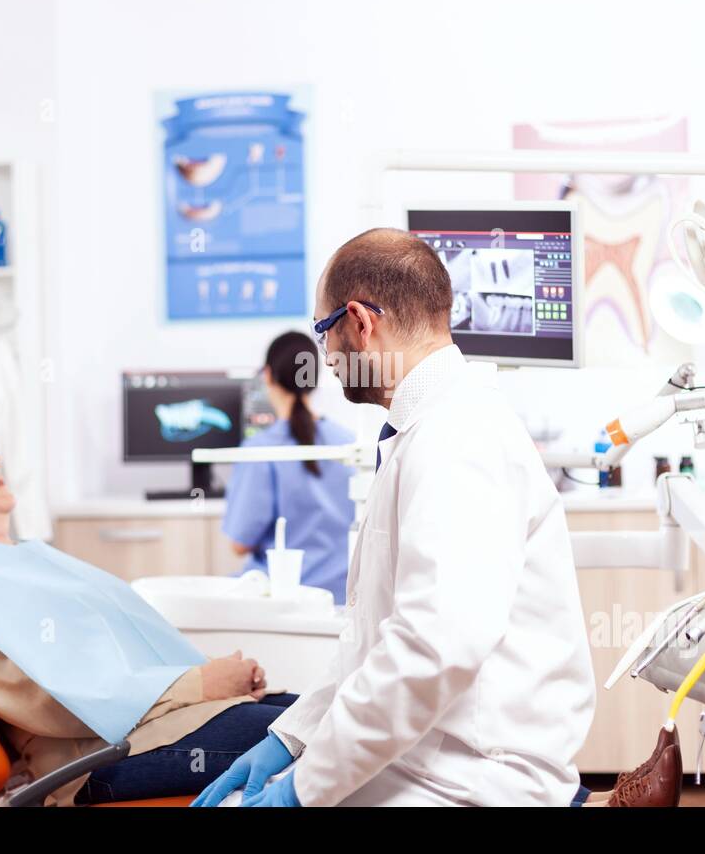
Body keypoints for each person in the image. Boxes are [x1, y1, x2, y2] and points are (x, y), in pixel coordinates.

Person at [195, 228, 596, 807]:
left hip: (472, 783)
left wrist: (300, 792)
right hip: (427, 760)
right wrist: (290, 737)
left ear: (359, 322)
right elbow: (373, 642)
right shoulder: (425, 429)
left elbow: (431, 649)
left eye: (323, 332)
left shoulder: (456, 437)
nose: (326, 358)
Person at [0, 419, 298, 805]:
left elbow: (108, 654)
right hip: (98, 759)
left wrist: (208, 678)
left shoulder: (10, 560)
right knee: (323, 736)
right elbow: (61, 698)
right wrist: (201, 683)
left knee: (317, 710)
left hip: (153, 727)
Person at [222, 331, 356, 603]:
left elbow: (240, 544)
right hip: (338, 597)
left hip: (282, 598)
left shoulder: (261, 451)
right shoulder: (349, 444)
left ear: (267, 376)